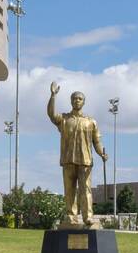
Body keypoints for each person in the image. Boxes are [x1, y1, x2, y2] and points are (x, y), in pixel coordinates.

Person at [46, 81, 108, 228]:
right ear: (71, 101)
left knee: (85, 190)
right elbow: (51, 114)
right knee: (69, 190)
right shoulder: (64, 119)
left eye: (80, 98)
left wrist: (101, 154)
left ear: (84, 102)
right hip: (68, 160)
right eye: (74, 98)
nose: (77, 100)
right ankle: (71, 217)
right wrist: (53, 96)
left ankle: (88, 217)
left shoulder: (91, 122)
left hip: (85, 161)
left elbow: (96, 141)